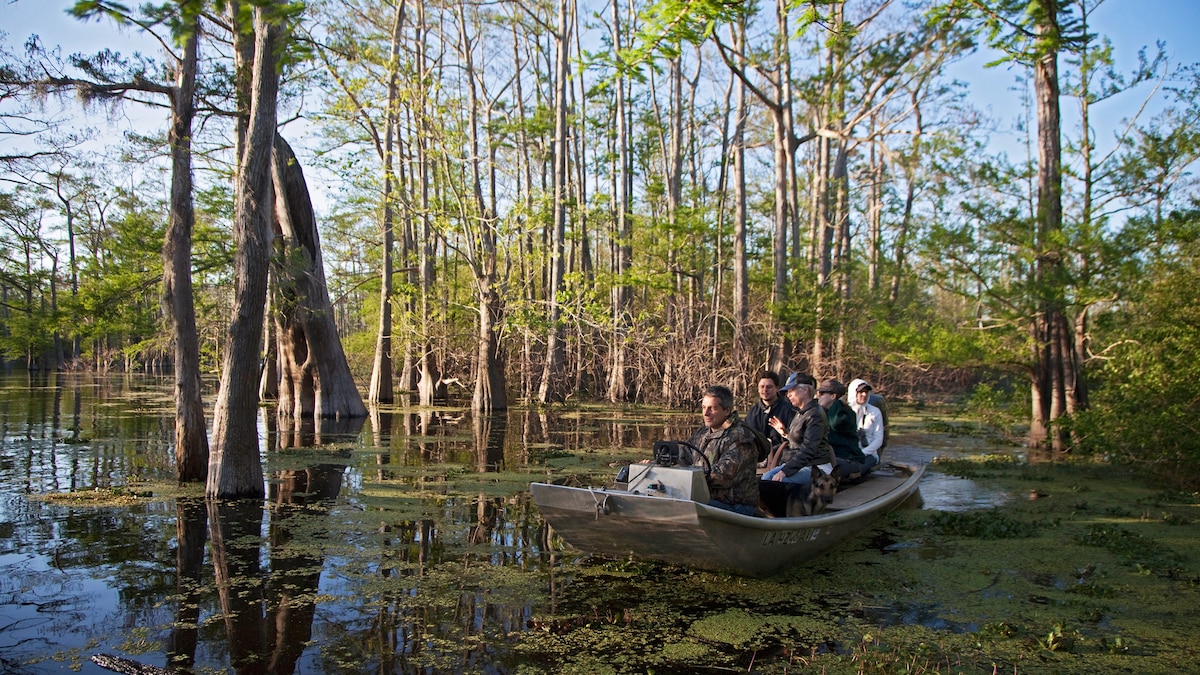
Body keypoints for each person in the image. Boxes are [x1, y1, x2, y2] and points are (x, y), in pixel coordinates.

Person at [679, 385, 762, 516]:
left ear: (726, 411)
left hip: (735, 506)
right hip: (708, 500)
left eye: (712, 408)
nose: (706, 413)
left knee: (684, 505)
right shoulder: (703, 432)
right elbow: (683, 456)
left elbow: (724, 476)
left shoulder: (741, 437)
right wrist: (657, 465)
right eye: (704, 408)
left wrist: (689, 475)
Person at [761, 373, 836, 485]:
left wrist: (785, 471)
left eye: (791, 391)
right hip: (800, 464)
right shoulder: (801, 412)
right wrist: (786, 434)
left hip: (816, 467)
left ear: (805, 390)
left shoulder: (815, 415)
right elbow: (801, 440)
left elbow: (808, 450)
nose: (788, 395)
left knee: (778, 482)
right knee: (766, 478)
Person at [817, 379, 872, 481]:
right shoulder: (823, 412)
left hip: (849, 460)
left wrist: (836, 403)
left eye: (821, 393)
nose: (818, 396)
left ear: (833, 396)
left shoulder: (846, 414)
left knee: (820, 466)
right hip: (832, 458)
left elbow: (835, 423)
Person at [744, 370, 797, 469]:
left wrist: (784, 432)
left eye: (769, 387)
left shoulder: (788, 409)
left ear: (777, 388)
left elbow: (794, 439)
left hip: (781, 456)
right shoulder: (753, 412)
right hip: (756, 455)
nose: (765, 390)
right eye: (762, 387)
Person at [847, 378, 885, 474]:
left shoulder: (874, 412)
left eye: (866, 392)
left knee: (856, 468)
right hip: (848, 454)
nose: (864, 395)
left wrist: (863, 453)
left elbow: (878, 439)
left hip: (868, 454)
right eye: (861, 392)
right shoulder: (844, 412)